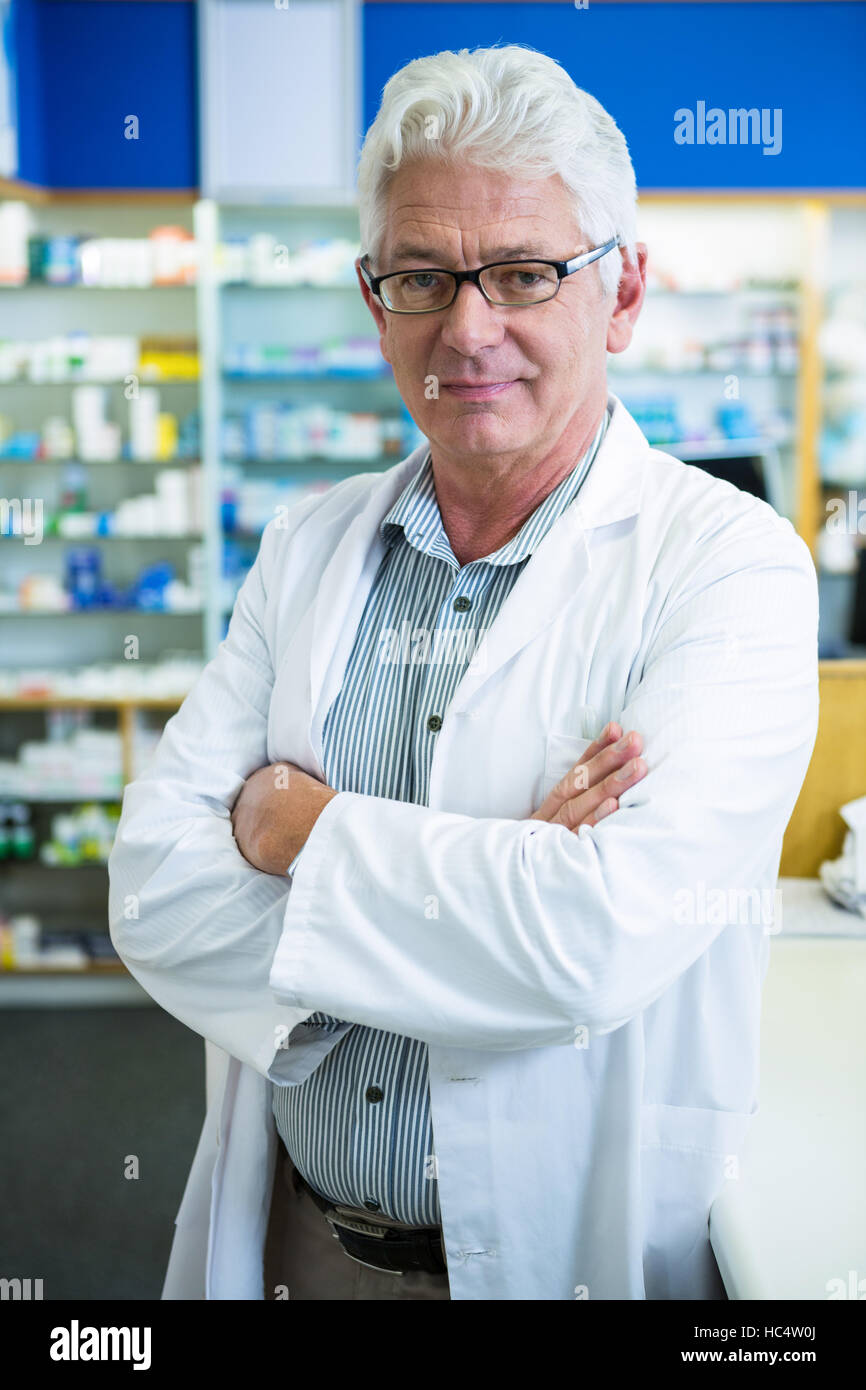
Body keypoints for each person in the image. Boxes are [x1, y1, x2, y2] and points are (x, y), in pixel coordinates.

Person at [108, 43, 818, 1301]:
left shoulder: (729, 567)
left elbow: (590, 941)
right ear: (375, 300)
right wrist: (494, 882)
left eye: (525, 272)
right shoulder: (305, 546)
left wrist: (297, 828)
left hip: (563, 1261)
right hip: (299, 1248)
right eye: (423, 276)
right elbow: (155, 890)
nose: (467, 327)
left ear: (625, 290)